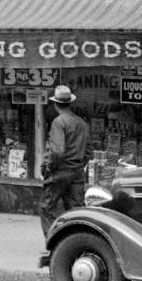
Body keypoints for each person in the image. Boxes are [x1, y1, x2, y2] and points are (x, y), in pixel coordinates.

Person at [38, 85, 91, 240]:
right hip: (77, 171)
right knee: (76, 210)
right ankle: (79, 240)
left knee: (47, 207)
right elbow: (89, 150)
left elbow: (58, 151)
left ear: (55, 104)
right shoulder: (82, 123)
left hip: (61, 171)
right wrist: (79, 164)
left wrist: (49, 166)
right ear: (70, 103)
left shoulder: (59, 122)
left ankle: (53, 240)